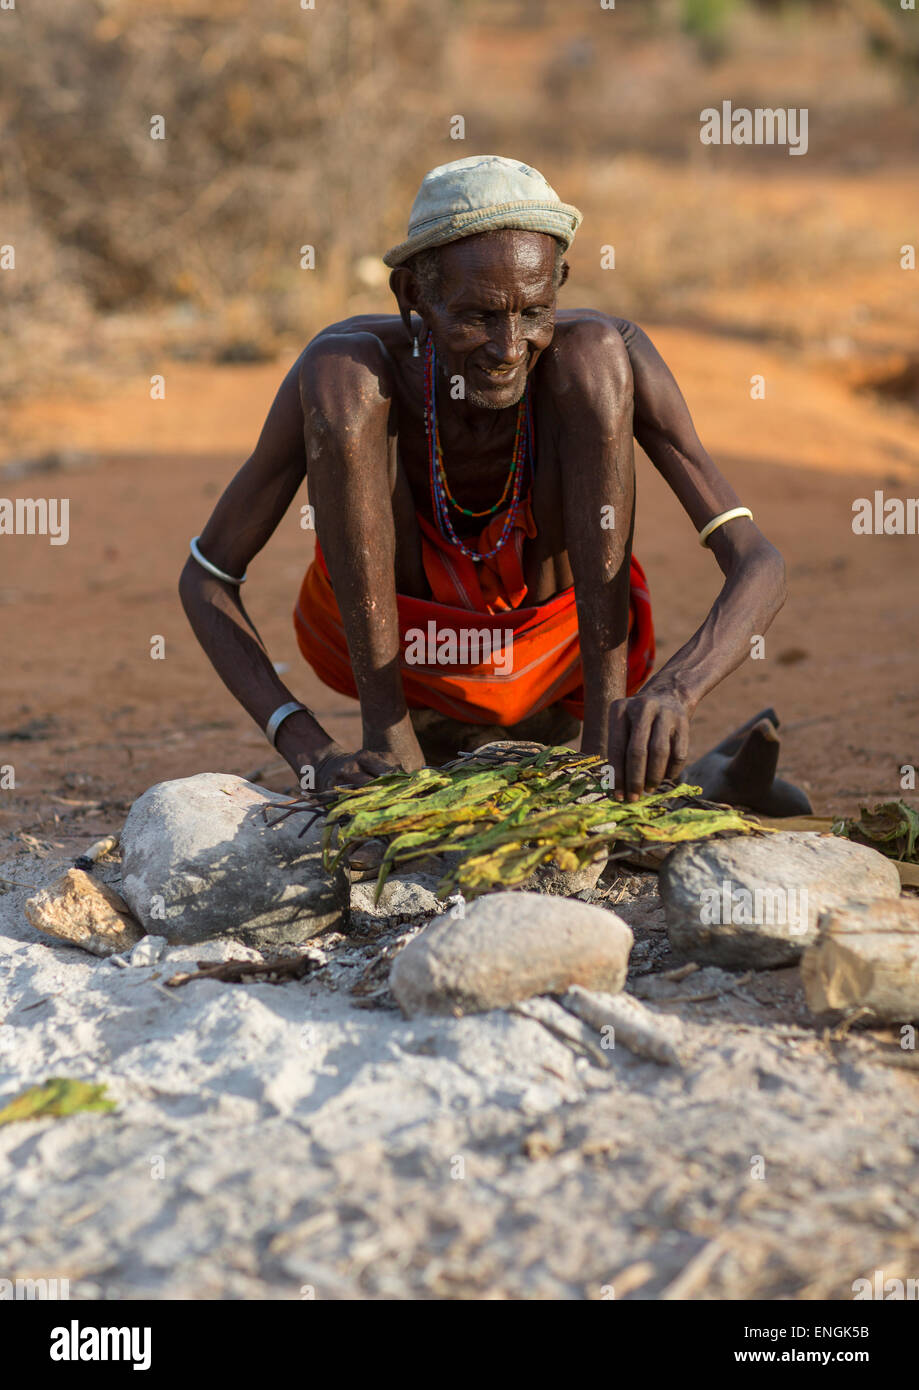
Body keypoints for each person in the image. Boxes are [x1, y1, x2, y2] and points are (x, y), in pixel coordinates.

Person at [180, 155, 786, 799]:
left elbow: (759, 562)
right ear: (414, 297)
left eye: (532, 312)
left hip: (556, 667)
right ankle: (390, 741)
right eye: (477, 317)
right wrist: (306, 744)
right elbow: (207, 577)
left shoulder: (600, 354)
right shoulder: (355, 368)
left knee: (596, 358)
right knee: (340, 373)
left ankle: (613, 749)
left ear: (561, 284)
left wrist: (676, 688)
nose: (507, 347)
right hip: (412, 671)